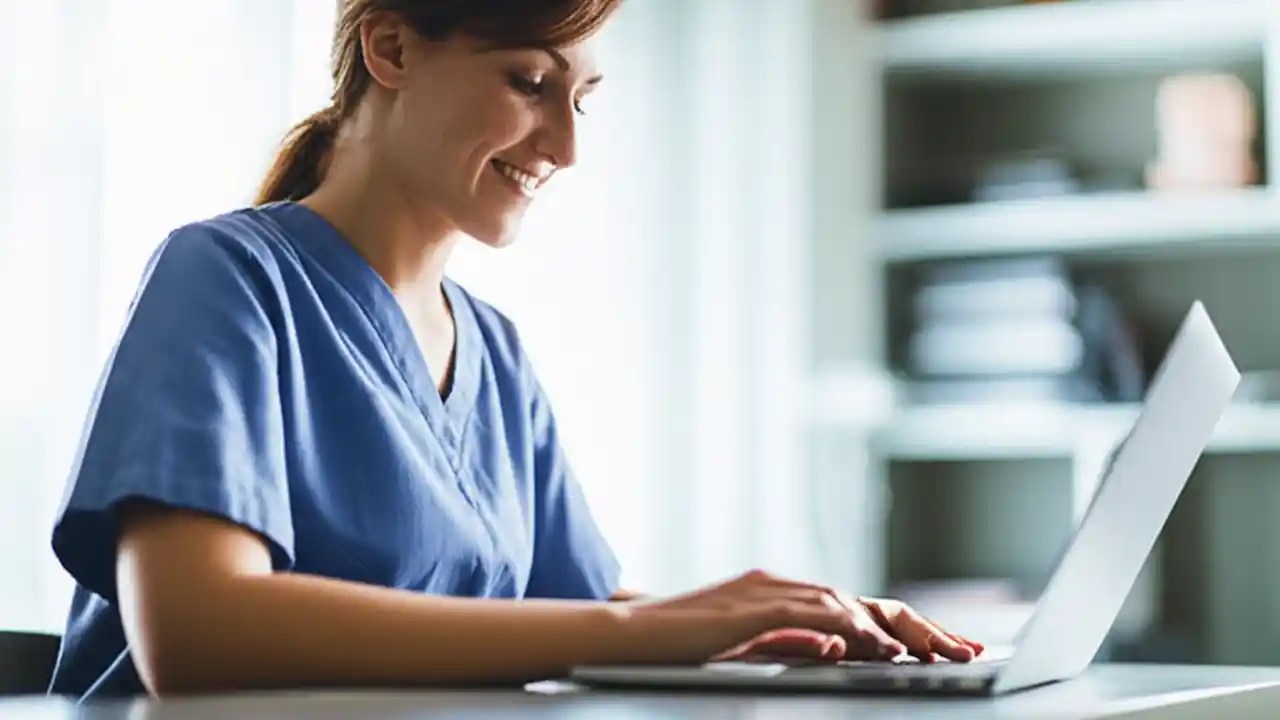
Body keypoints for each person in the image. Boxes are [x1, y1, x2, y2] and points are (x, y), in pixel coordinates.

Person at [48, 0, 983, 700]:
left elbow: (569, 612)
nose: (566, 147)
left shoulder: (493, 352)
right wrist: (663, 628)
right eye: (529, 83)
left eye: (583, 98)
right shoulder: (226, 278)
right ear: (390, 48)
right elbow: (196, 636)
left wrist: (792, 625)